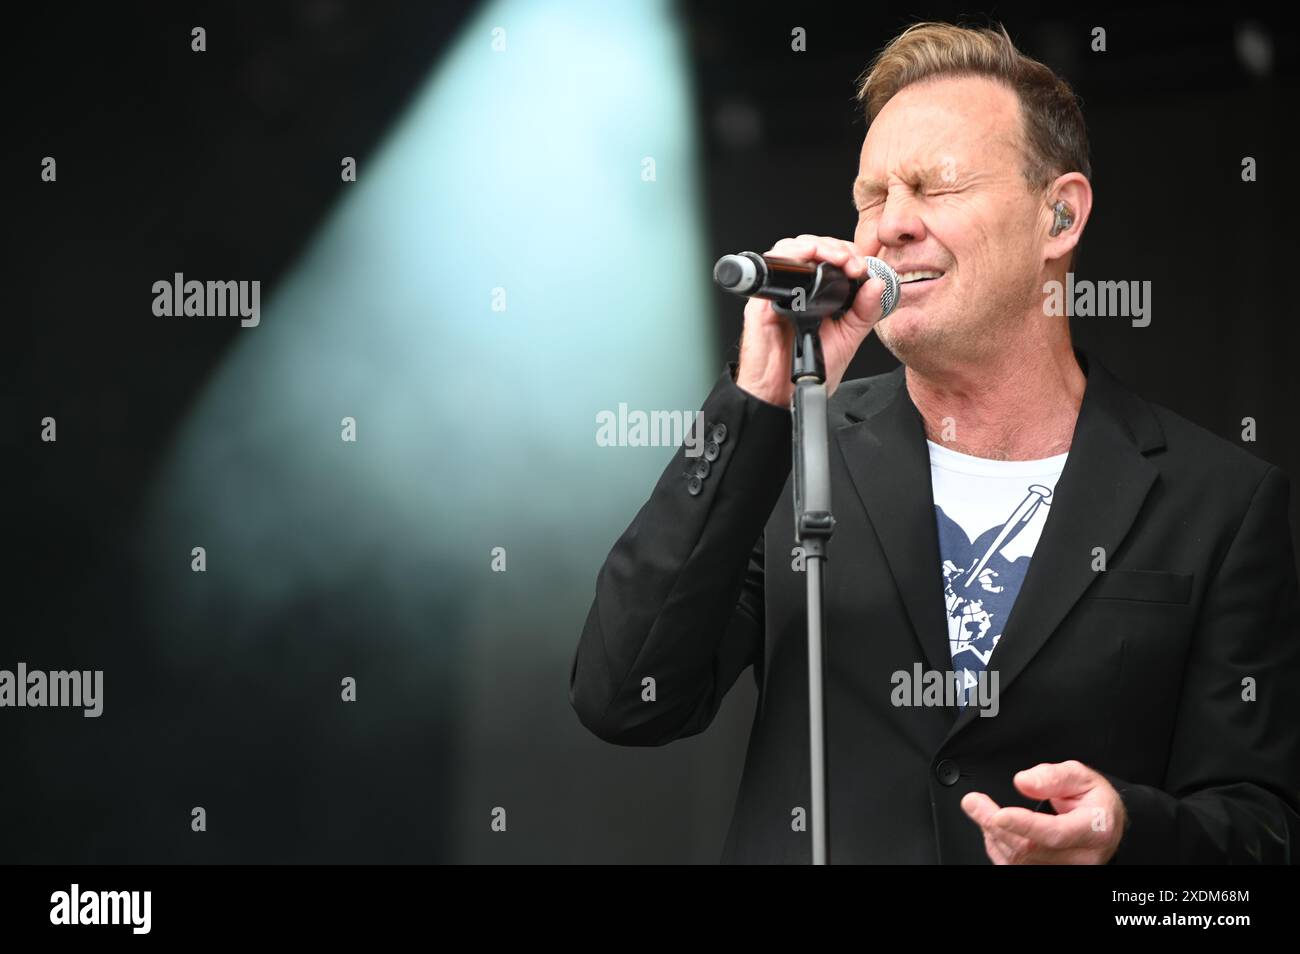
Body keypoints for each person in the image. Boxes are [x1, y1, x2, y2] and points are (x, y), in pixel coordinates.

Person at [568, 21, 1300, 863]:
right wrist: (756, 401)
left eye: (935, 186)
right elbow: (624, 697)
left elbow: (1262, 831)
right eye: (871, 197)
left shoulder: (1219, 502)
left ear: (1059, 216)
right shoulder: (793, 457)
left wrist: (1129, 833)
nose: (889, 227)